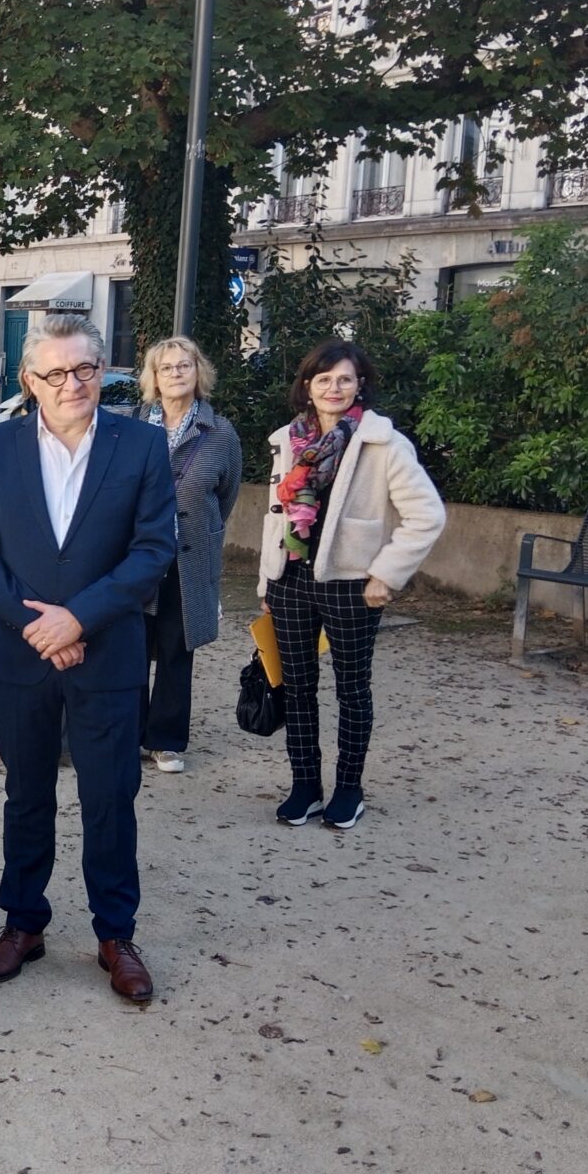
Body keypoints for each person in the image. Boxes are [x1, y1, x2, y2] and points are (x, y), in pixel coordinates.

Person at [0, 315, 176, 1003]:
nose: (72, 383)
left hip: (107, 650)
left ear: (104, 371)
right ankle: (23, 922)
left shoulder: (142, 446)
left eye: (85, 369)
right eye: (56, 372)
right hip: (21, 653)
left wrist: (79, 617)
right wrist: (40, 625)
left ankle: (116, 933)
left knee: (110, 795)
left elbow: (153, 549)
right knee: (27, 793)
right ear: (30, 381)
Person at [257, 340, 445, 830]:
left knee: (352, 690)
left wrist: (386, 573)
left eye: (345, 378)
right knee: (296, 688)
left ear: (359, 383)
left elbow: (427, 514)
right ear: (307, 387)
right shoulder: (288, 440)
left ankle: (349, 788)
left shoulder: (384, 443)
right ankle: (305, 786)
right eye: (323, 379)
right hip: (291, 580)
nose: (334, 388)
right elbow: (273, 517)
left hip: (351, 585)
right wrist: (266, 579)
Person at [135, 335, 242, 774]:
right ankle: (129, 733)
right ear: (154, 379)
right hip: (137, 555)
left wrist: (199, 527)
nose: (176, 374)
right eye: (167, 368)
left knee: (178, 650)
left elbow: (227, 494)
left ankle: (166, 740)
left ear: (198, 373)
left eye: (184, 366)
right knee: (132, 648)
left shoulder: (220, 433)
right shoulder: (134, 427)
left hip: (189, 558)